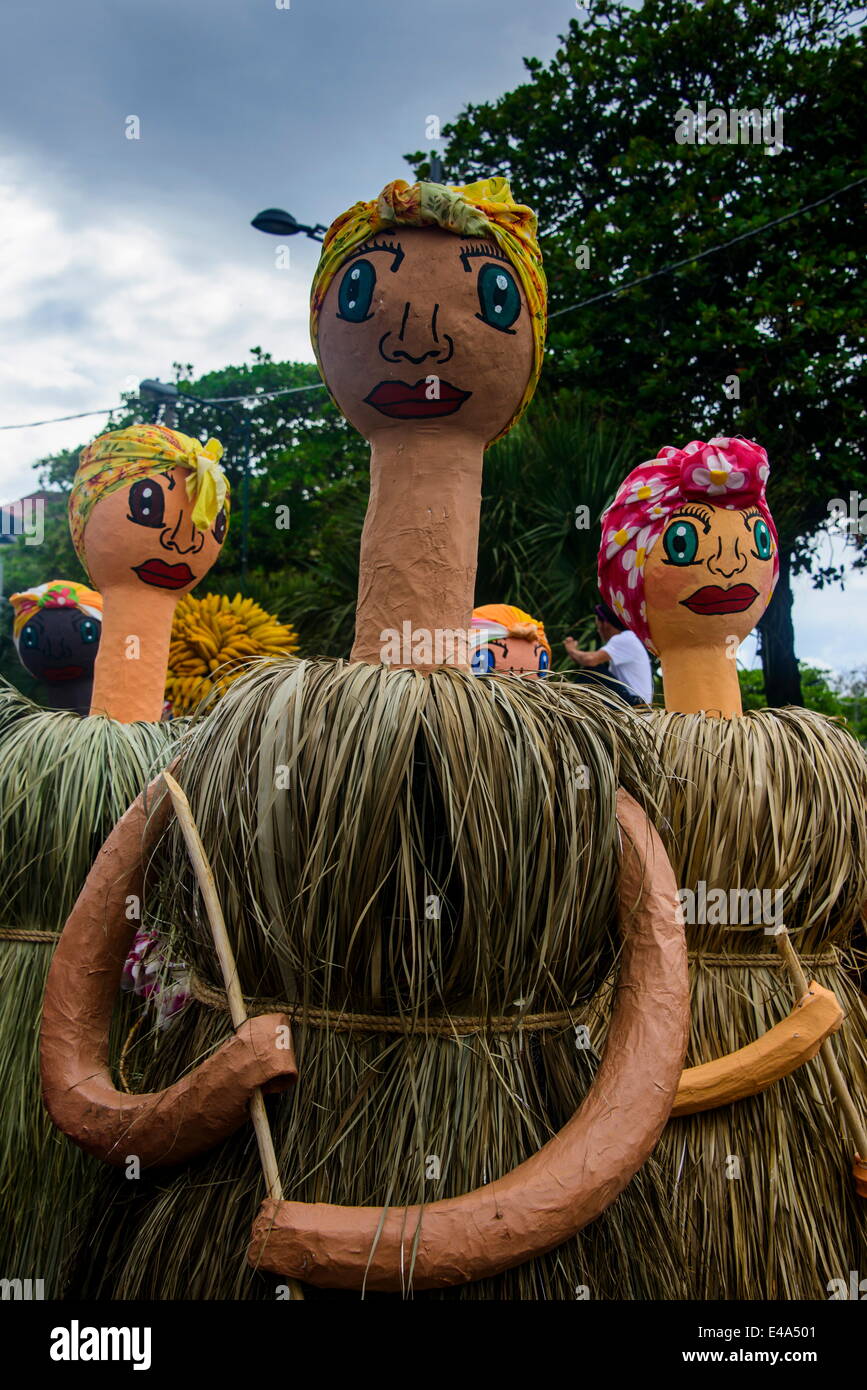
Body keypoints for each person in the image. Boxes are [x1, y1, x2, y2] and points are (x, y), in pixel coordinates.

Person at [564, 601, 653, 704]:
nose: (598, 631)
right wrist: (574, 653)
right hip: (633, 699)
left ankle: (568, 702)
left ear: (605, 624)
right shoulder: (628, 638)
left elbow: (590, 660)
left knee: (593, 672)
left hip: (635, 702)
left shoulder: (625, 638)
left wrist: (571, 650)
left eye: (598, 626)